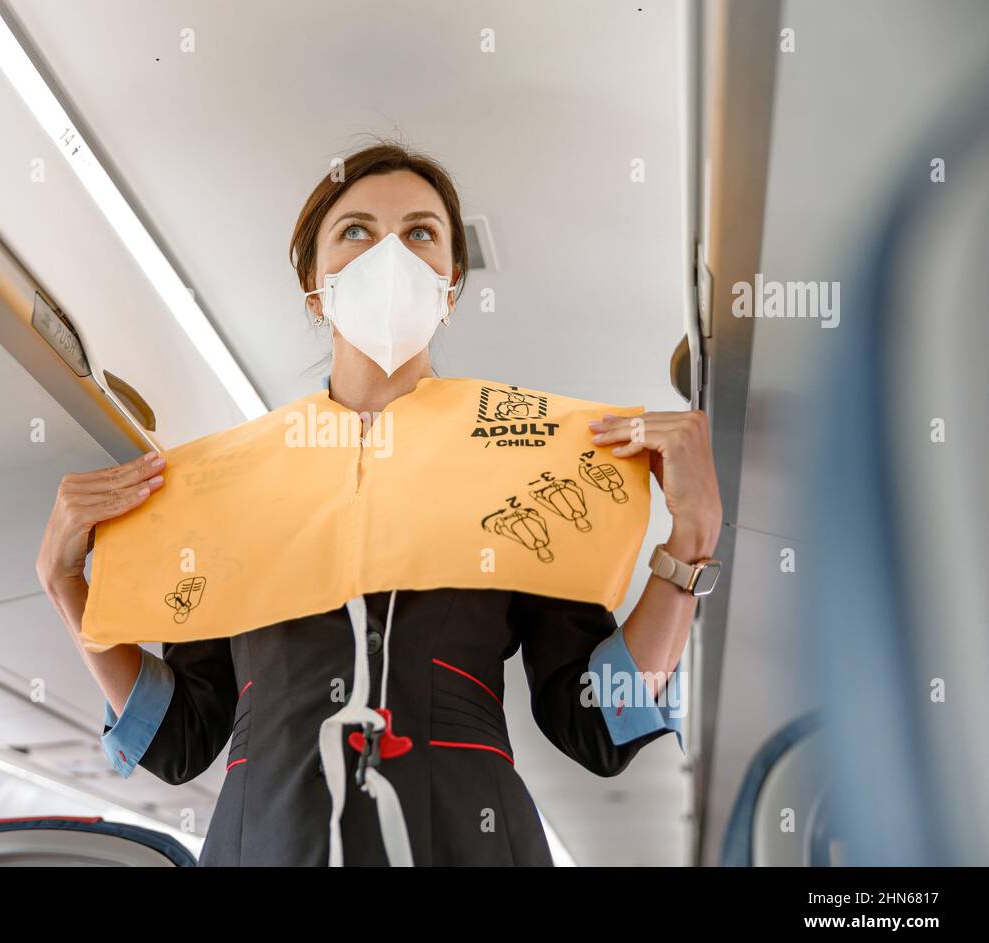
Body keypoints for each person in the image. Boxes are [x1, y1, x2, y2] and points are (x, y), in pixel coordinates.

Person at [35, 142, 722, 865]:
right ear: (314, 288)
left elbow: (598, 720)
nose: (388, 254)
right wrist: (68, 589)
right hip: (271, 839)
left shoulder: (524, 467)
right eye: (356, 231)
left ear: (452, 287)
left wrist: (688, 548)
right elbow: (180, 740)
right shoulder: (223, 487)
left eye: (421, 232)